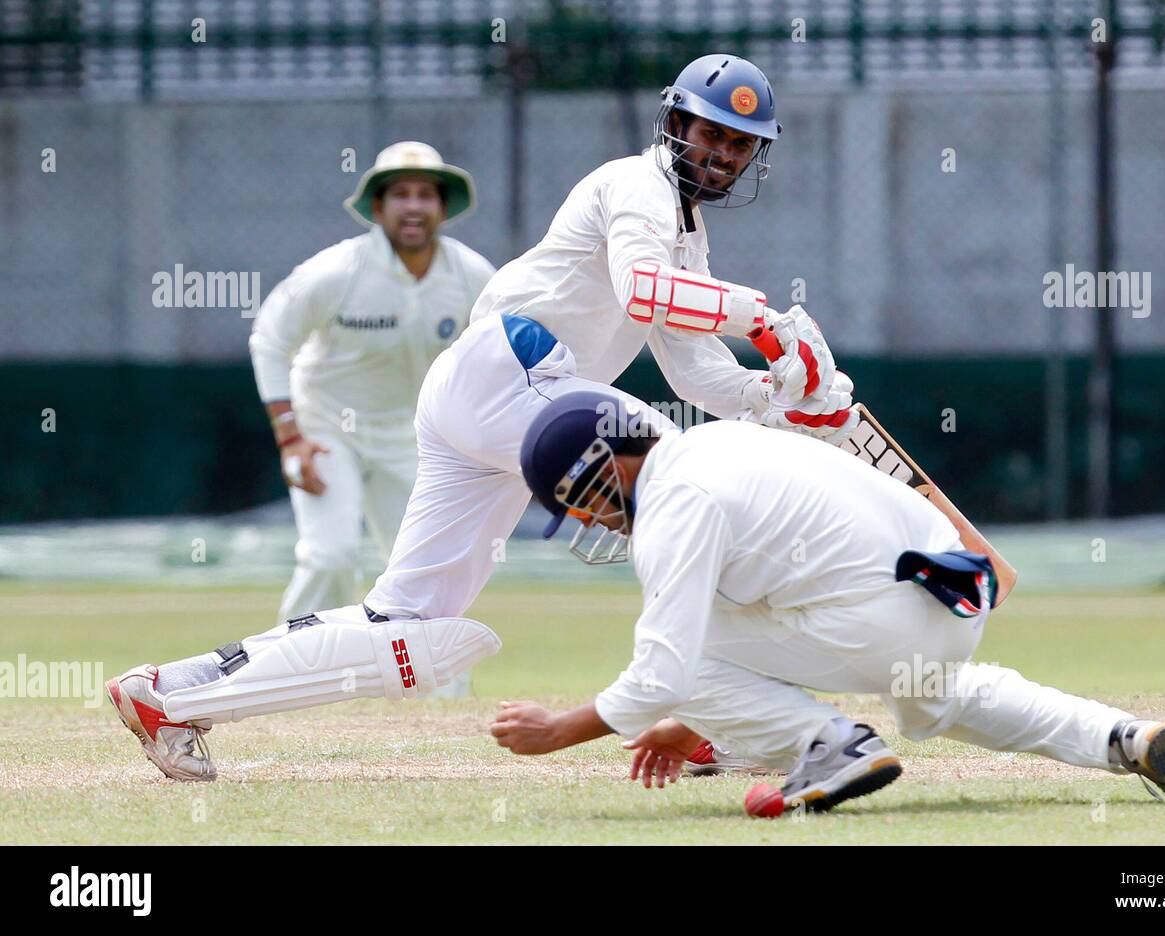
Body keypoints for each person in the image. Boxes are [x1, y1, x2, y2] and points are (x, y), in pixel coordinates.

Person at [106, 54, 857, 781]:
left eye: (738, 143)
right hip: (516, 374)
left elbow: (695, 370)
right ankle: (724, 726)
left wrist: (778, 396)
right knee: (696, 492)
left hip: (494, 397)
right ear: (674, 123)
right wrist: (765, 318)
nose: (722, 154)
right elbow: (642, 292)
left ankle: (169, 695)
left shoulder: (688, 233)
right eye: (710, 132)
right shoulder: (635, 185)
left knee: (405, 628)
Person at [490, 392, 1165, 811]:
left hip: (878, 615)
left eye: (581, 501)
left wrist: (556, 731)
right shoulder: (718, 440)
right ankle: (1126, 738)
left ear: (611, 463)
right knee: (938, 699)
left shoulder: (675, 504)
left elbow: (665, 673)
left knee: (677, 649)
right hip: (956, 589)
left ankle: (830, 747)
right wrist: (697, 723)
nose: (590, 520)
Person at [250, 141, 495, 637]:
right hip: (326, 431)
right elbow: (270, 340)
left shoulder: (472, 276)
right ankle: (287, 674)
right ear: (377, 208)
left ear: (442, 208)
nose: (413, 206)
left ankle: (444, 704)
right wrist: (291, 438)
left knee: (432, 573)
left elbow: (497, 356)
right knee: (330, 557)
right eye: (400, 194)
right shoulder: (335, 271)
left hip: (416, 440)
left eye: (426, 194)